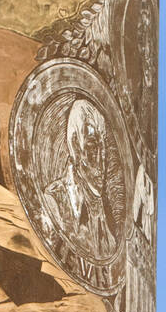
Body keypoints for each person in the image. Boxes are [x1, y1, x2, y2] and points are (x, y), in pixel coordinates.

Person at [43, 98, 118, 256]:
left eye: (103, 145)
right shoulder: (54, 199)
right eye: (92, 145)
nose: (101, 158)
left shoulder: (103, 210)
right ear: (75, 146)